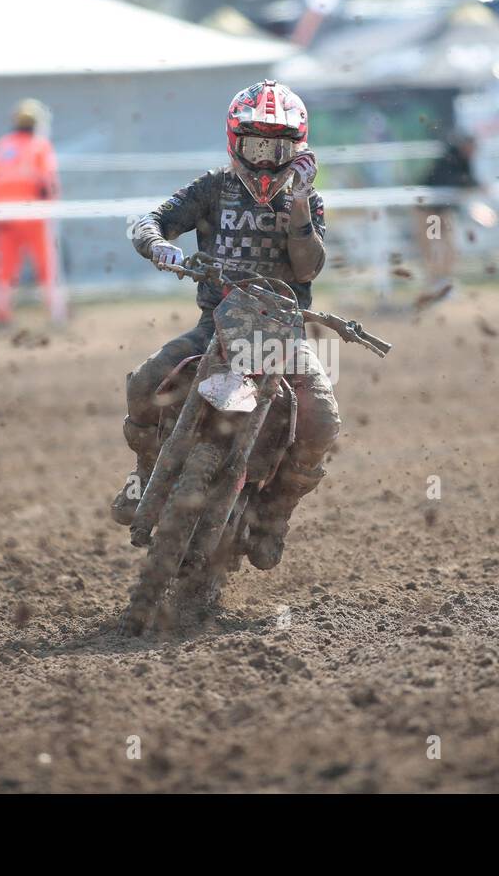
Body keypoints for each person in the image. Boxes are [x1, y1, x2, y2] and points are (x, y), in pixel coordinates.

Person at [111, 80, 339, 571]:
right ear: (236, 142)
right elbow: (150, 219)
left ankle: (275, 515)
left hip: (282, 335)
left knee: (321, 421)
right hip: (216, 325)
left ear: (297, 150)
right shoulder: (213, 188)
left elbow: (308, 268)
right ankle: (145, 474)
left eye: (276, 148)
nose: (264, 159)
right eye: (255, 146)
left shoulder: (308, 202)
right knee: (144, 384)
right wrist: (159, 244)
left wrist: (298, 206)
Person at [0, 99, 63, 325]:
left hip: (4, 216)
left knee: (5, 268)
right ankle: (55, 312)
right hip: (35, 215)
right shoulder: (40, 145)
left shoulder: (0, 145)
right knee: (46, 266)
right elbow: (49, 184)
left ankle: (1, 313)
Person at [414, 132, 478, 308]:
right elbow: (454, 181)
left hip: (443, 211)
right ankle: (434, 284)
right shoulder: (449, 160)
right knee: (435, 248)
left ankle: (444, 283)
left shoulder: (463, 161)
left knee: (450, 247)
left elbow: (465, 181)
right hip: (430, 212)